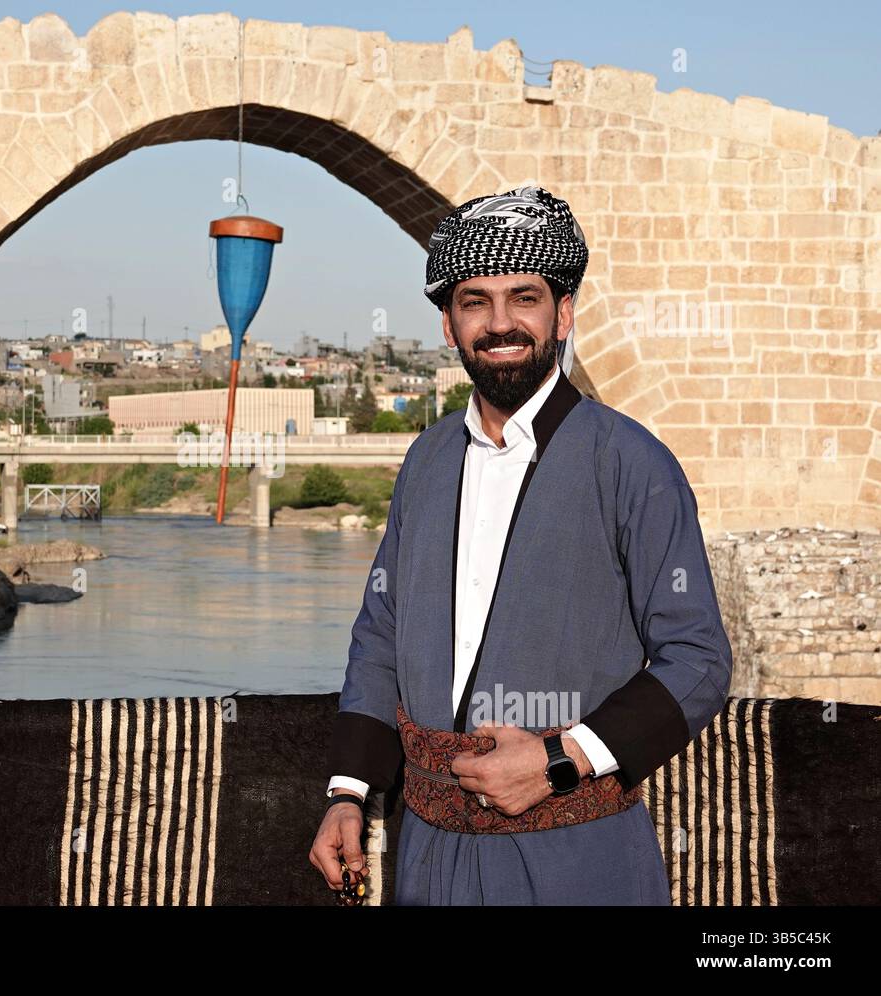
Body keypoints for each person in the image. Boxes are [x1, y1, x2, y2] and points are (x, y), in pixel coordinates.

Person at [309, 186, 733, 905]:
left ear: (562, 314)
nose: (500, 323)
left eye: (524, 298)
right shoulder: (426, 461)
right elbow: (380, 636)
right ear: (449, 324)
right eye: (475, 301)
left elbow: (698, 659)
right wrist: (349, 791)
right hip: (428, 861)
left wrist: (559, 761)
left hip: (577, 862)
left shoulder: (632, 463)